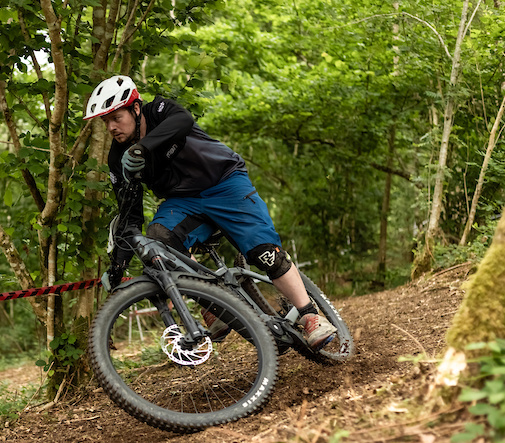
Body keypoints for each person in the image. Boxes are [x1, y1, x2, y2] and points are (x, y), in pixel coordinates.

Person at [84, 75, 336, 349]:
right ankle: (214, 304)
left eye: (116, 118)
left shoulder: (158, 110)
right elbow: (129, 215)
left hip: (226, 183)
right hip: (184, 202)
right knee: (159, 241)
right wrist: (118, 266)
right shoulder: (116, 158)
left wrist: (142, 148)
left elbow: (183, 120)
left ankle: (310, 315)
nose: (110, 127)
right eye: (104, 121)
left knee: (263, 253)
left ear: (135, 108)